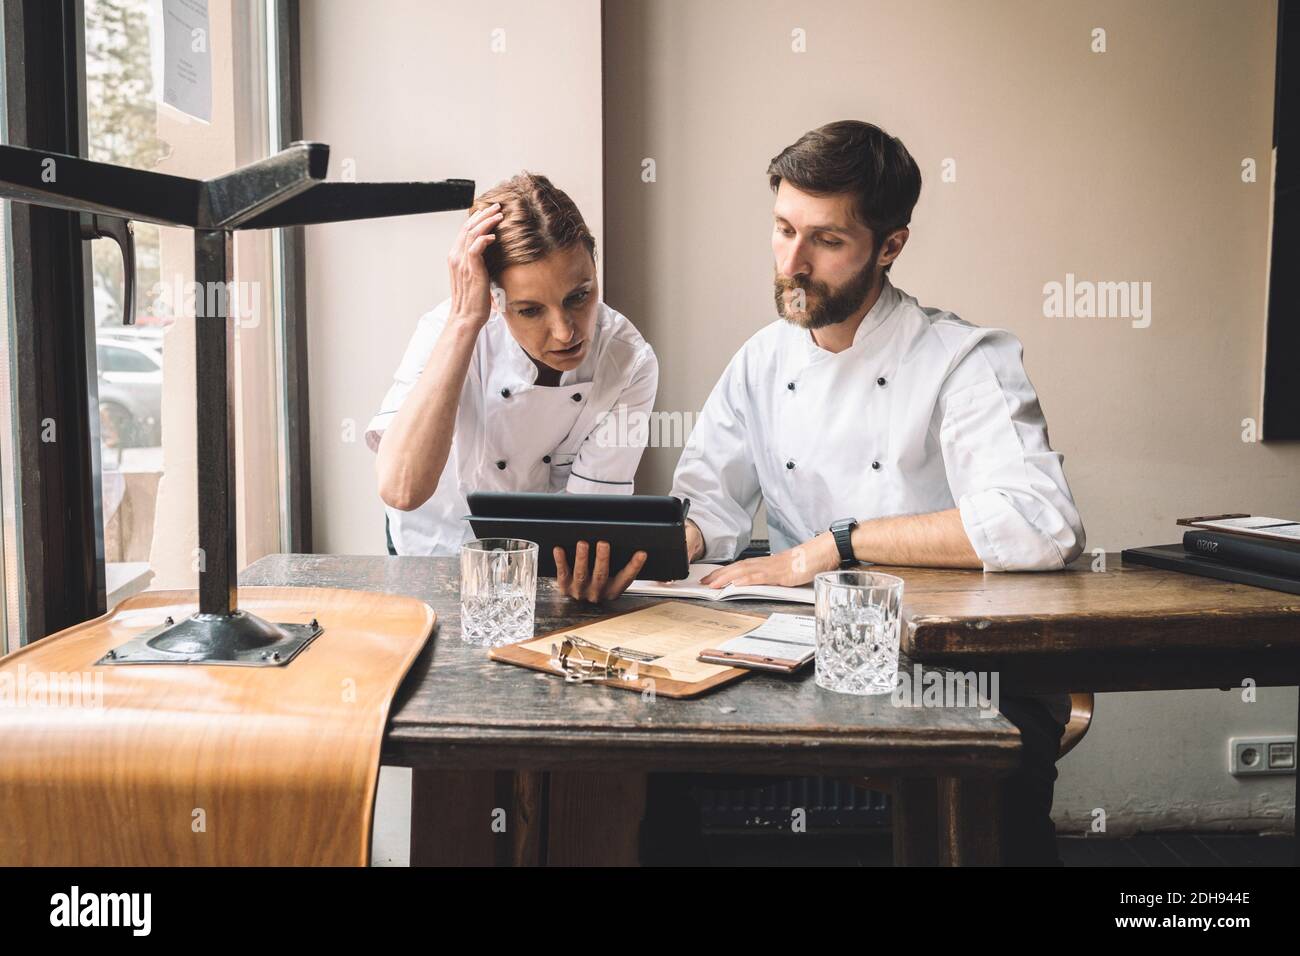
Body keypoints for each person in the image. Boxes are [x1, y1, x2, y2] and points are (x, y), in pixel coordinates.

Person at [644, 120, 1086, 865]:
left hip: (949, 666)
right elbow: (709, 512)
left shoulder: (963, 361)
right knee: (640, 752)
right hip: (794, 658)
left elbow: (1039, 525)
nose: (794, 263)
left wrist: (832, 548)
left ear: (891, 245)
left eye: (827, 240)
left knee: (998, 768)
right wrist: (645, 545)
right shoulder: (760, 361)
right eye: (783, 230)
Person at [367, 173, 657, 602]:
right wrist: (465, 321)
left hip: (540, 569)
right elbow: (402, 488)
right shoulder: (445, 330)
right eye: (530, 310)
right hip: (433, 552)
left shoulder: (628, 361)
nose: (564, 332)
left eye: (579, 296)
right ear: (496, 300)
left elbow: (588, 523)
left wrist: (592, 575)